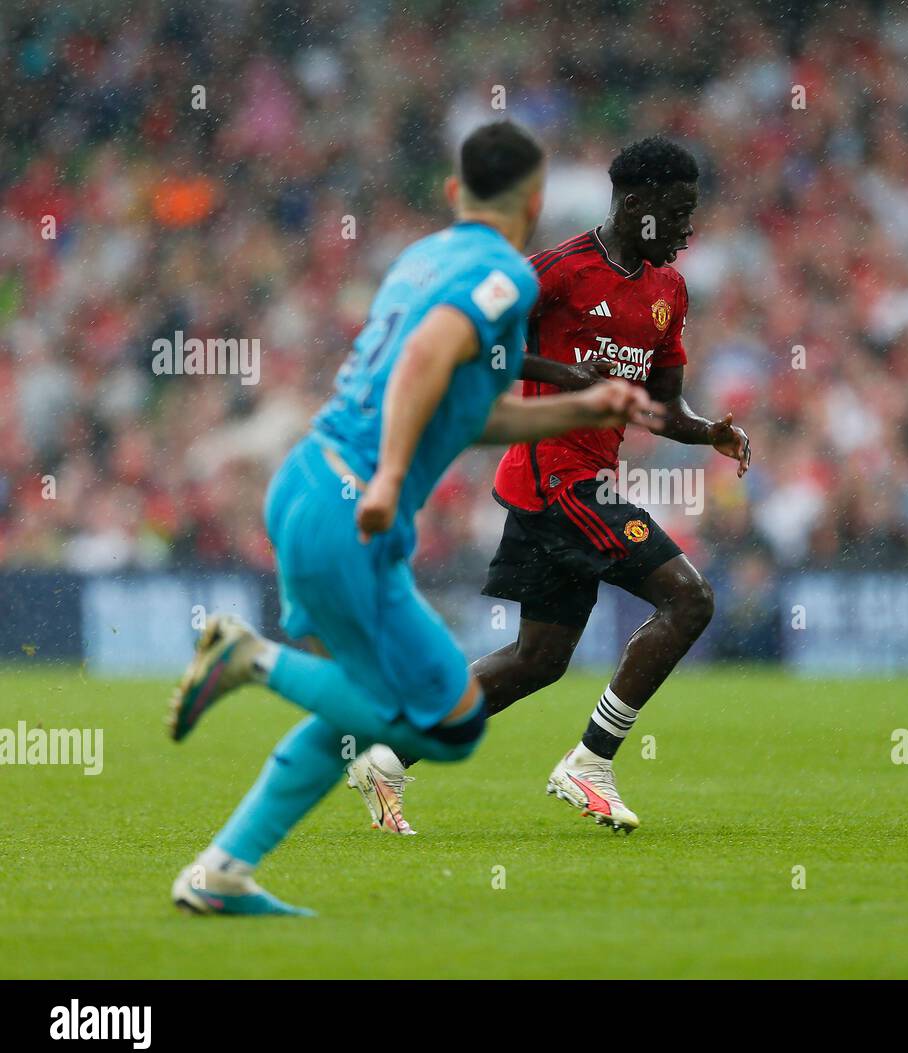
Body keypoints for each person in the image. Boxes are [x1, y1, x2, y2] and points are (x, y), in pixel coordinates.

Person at [167, 121, 664, 916]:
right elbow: (428, 356)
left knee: (362, 704)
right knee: (452, 721)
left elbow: (470, 410)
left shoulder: (420, 259)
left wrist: (582, 400)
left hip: (305, 483)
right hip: (352, 501)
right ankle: (249, 657)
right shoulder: (502, 275)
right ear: (535, 200)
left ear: (452, 194)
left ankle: (223, 869)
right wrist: (393, 475)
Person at [348, 136, 750, 836]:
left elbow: (660, 405)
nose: (689, 229)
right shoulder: (557, 272)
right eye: (679, 211)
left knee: (538, 659)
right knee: (689, 597)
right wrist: (567, 378)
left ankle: (389, 756)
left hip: (578, 480)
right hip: (554, 473)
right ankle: (591, 761)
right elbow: (473, 339)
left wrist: (705, 430)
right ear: (636, 204)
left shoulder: (668, 292)